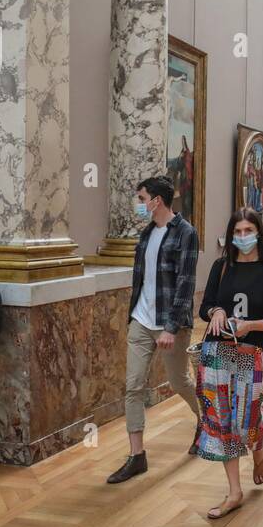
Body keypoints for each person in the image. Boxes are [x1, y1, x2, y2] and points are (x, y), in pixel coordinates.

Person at [196, 207, 263, 519]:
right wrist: (216, 312)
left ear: (259, 233)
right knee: (225, 423)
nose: (242, 237)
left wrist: (252, 326)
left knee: (248, 423)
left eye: (248, 231)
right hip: (218, 356)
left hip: (253, 356)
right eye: (237, 232)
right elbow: (206, 306)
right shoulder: (222, 267)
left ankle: (259, 449)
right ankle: (234, 491)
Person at [108, 176, 200, 485]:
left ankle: (206, 421)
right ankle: (137, 456)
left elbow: (186, 284)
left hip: (170, 324)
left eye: (141, 197)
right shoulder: (146, 233)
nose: (139, 203)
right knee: (133, 386)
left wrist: (171, 327)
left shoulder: (186, 234)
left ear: (156, 200)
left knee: (179, 382)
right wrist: (135, 315)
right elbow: (144, 279)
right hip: (141, 320)